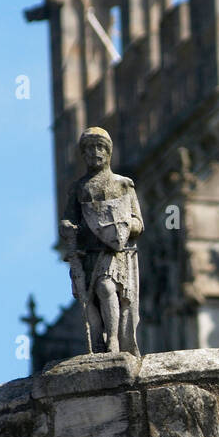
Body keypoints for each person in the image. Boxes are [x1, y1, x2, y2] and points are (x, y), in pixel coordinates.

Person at [59, 127, 144, 356]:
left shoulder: (123, 184)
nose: (94, 153)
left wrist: (124, 227)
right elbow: (69, 218)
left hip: (113, 252)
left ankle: (114, 340)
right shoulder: (79, 188)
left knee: (106, 288)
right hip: (88, 251)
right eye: (88, 149)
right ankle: (97, 342)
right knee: (90, 301)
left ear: (108, 152)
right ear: (83, 155)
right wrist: (67, 227)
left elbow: (138, 222)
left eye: (100, 147)